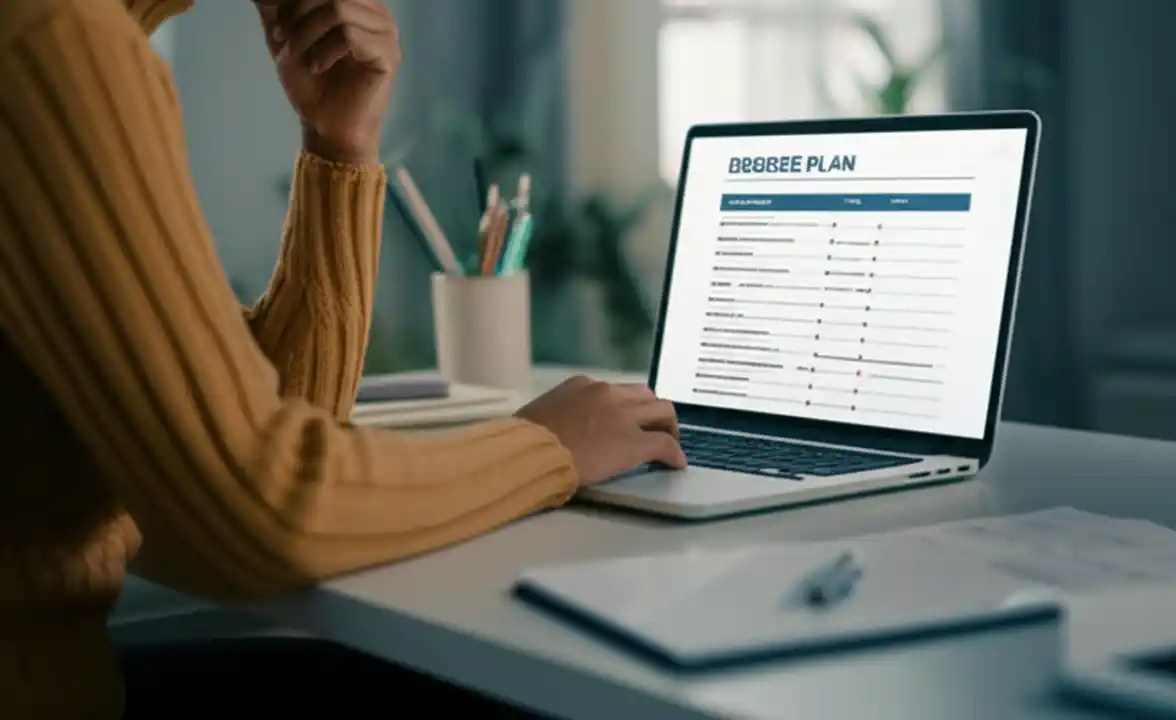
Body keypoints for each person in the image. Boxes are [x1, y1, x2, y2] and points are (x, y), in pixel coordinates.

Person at [0, 0, 687, 717]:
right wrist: (548, 449)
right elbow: (259, 505)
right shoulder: (52, 35)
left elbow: (265, 421)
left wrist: (340, 146)